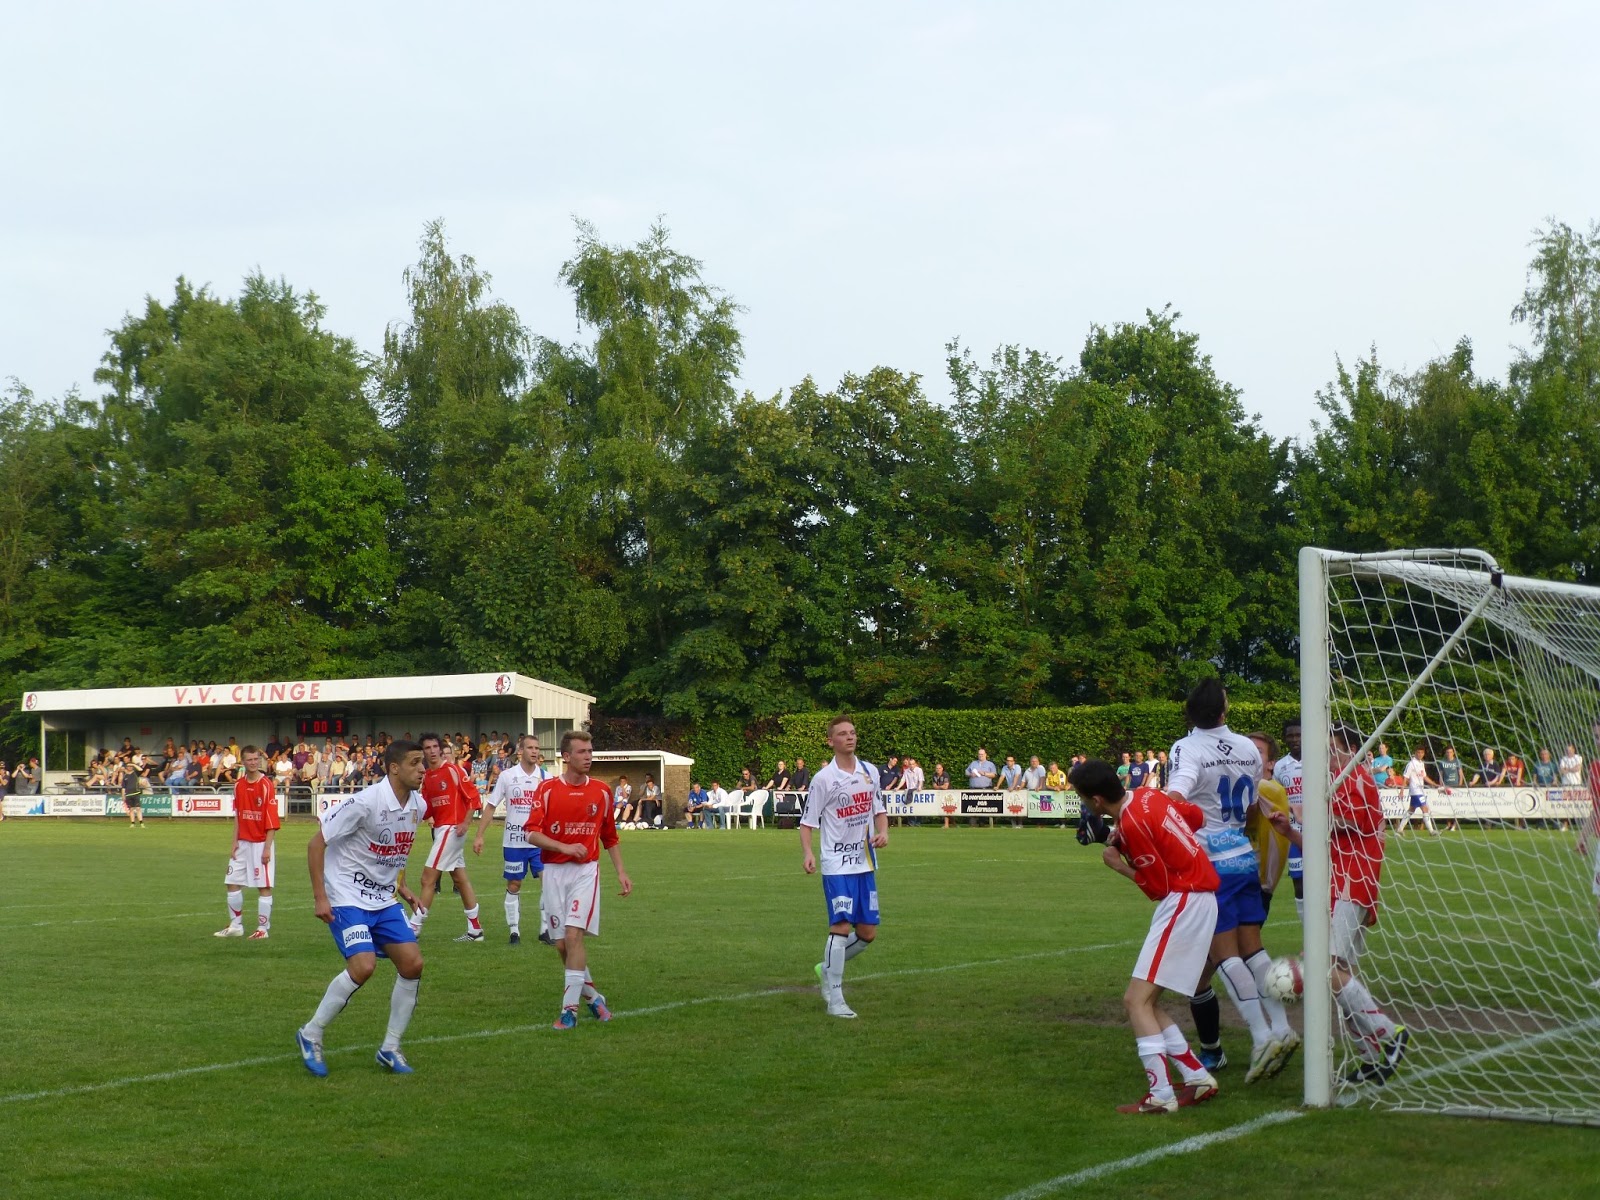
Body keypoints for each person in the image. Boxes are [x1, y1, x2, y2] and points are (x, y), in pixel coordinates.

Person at [1070, 757, 1221, 1113]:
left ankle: (1161, 1095)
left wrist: (1118, 863)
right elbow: (1194, 818)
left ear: (1095, 800)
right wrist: (1122, 837)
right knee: (1149, 1001)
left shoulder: (1134, 821)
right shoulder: (1146, 796)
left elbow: (1156, 887)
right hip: (1198, 897)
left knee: (1135, 1001)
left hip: (1184, 900)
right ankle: (1197, 1077)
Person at [1167, 679, 1297, 1082]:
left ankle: (1261, 1038)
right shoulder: (1246, 747)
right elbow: (1255, 795)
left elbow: (1177, 794)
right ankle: (1282, 1029)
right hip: (1243, 855)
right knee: (1254, 951)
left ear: (1190, 713)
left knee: (1226, 956)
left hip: (1209, 861)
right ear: (1224, 711)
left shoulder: (1186, 748)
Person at [1269, 722, 1409, 1083]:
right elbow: (1324, 841)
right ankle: (1370, 1055)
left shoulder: (1354, 777)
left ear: (1349, 749)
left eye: (1331, 749)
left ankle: (1387, 1032)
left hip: (1353, 883)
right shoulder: (1340, 781)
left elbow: (1345, 822)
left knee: (1327, 967)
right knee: (1338, 973)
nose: (1326, 756)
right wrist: (1290, 832)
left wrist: (1306, 812)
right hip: (1340, 882)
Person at [296, 739, 429, 1077]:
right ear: (394, 767)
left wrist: (401, 885)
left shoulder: (419, 805)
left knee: (413, 964)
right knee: (364, 966)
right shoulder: (364, 802)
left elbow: (399, 849)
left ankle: (390, 1048)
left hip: (383, 898)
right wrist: (320, 897)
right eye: (415, 763)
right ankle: (310, 1033)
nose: (423, 769)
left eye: (424, 762)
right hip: (345, 894)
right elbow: (316, 843)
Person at [523, 730, 633, 1029]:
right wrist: (563, 847)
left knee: (573, 937)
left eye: (590, 750)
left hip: (585, 871)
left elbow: (609, 836)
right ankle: (593, 998)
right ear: (566, 757)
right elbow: (530, 832)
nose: (589, 756)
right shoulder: (546, 789)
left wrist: (621, 871)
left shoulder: (601, 791)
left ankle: (568, 1011)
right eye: (582, 752)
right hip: (554, 872)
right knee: (562, 946)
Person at [801, 715, 889, 1020]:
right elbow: (807, 822)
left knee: (867, 933)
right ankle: (835, 997)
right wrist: (808, 853)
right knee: (840, 927)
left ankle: (824, 967)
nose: (849, 737)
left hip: (864, 861)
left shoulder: (870, 772)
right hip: (836, 863)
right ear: (831, 741)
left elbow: (879, 809)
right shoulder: (823, 778)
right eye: (842, 734)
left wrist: (884, 832)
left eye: (852, 733)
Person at [471, 733, 550, 945]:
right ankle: (514, 931)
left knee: (548, 882)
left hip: (539, 841)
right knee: (514, 884)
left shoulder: (545, 777)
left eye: (537, 748)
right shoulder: (507, 776)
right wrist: (479, 835)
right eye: (531, 747)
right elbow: (490, 806)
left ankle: (545, 930)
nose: (535, 751)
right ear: (520, 751)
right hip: (514, 841)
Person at [409, 732, 485, 943]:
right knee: (459, 878)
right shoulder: (427, 777)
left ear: (440, 749)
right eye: (427, 748)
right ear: (423, 752)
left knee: (427, 878)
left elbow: (473, 798)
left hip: (452, 830)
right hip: (441, 830)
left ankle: (413, 927)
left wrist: (465, 823)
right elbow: (427, 809)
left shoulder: (452, 770)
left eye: (435, 747)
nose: (432, 751)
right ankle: (475, 929)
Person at [215, 746, 280, 939]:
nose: (253, 762)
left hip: (261, 843)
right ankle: (236, 926)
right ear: (242, 762)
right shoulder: (238, 785)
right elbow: (238, 815)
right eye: (249, 759)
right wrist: (234, 841)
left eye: (255, 759)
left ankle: (263, 929)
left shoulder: (266, 785)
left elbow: (271, 819)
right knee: (232, 882)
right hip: (242, 843)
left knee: (263, 886)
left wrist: (267, 848)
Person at [1273, 719, 1305, 917]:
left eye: (1298, 735)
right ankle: (1307, 940)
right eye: (1290, 736)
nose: (1294, 739)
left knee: (1324, 883)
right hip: (1294, 833)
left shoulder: (1320, 759)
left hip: (1320, 831)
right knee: (1299, 884)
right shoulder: (1280, 767)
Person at [1396, 746, 1439, 836]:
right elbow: (1405, 777)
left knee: (1411, 810)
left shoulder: (1421, 763)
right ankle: (1431, 831)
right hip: (1415, 790)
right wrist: (1402, 791)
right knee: (1425, 808)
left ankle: (1400, 829)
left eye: (1422, 753)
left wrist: (1434, 784)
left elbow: (1424, 776)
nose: (1420, 754)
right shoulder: (1411, 764)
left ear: (1424, 754)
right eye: (1418, 752)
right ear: (1415, 752)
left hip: (1420, 790)